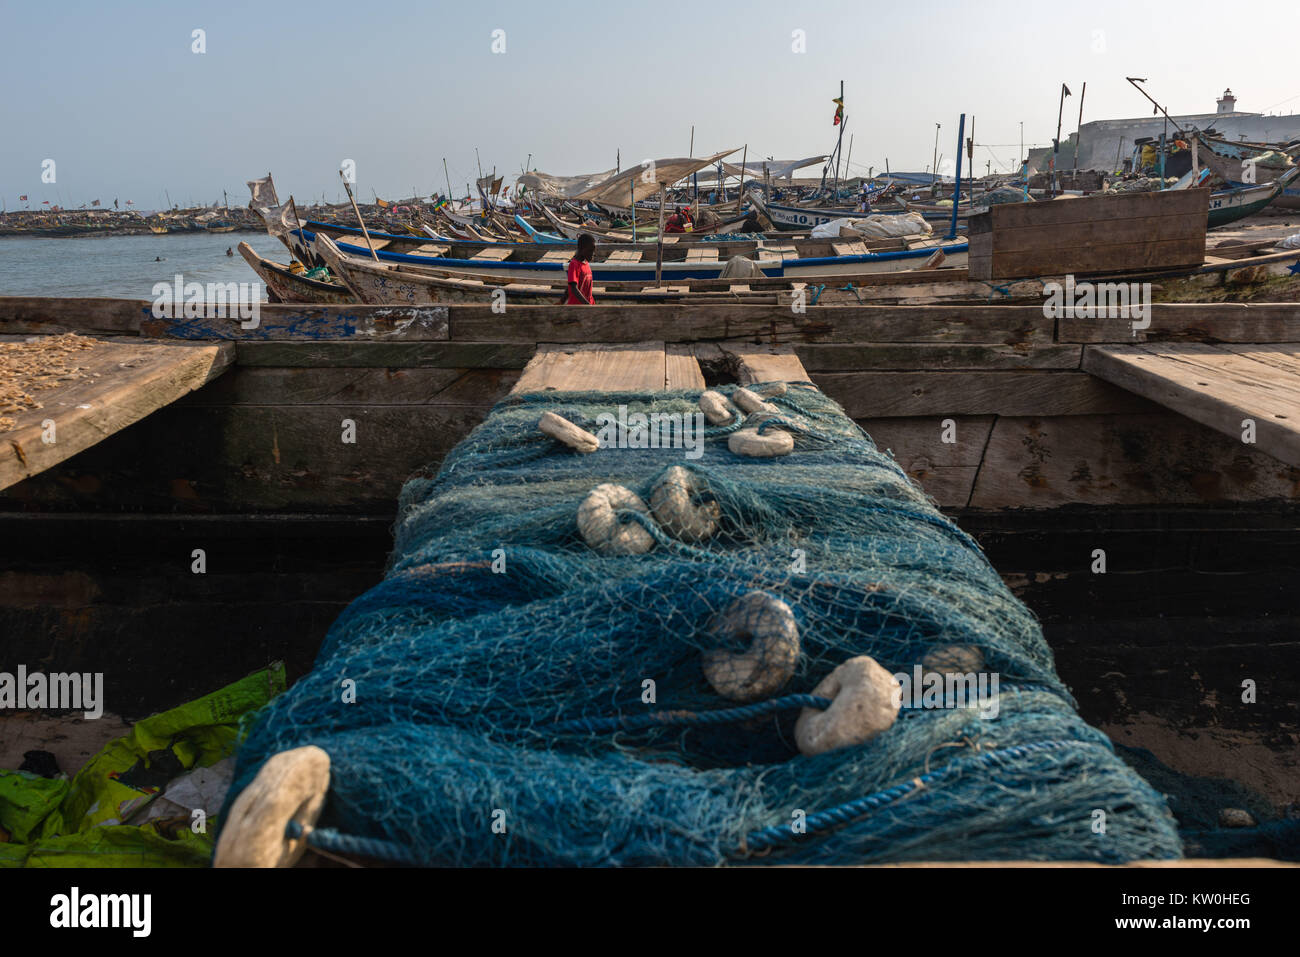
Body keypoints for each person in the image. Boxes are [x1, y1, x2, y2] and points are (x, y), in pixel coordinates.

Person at [561, 233, 595, 305]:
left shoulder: (586, 264)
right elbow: (573, 288)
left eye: (593, 251)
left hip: (589, 305)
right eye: (590, 250)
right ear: (582, 248)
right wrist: (587, 305)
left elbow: (570, 287)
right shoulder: (574, 264)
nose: (593, 253)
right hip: (577, 307)